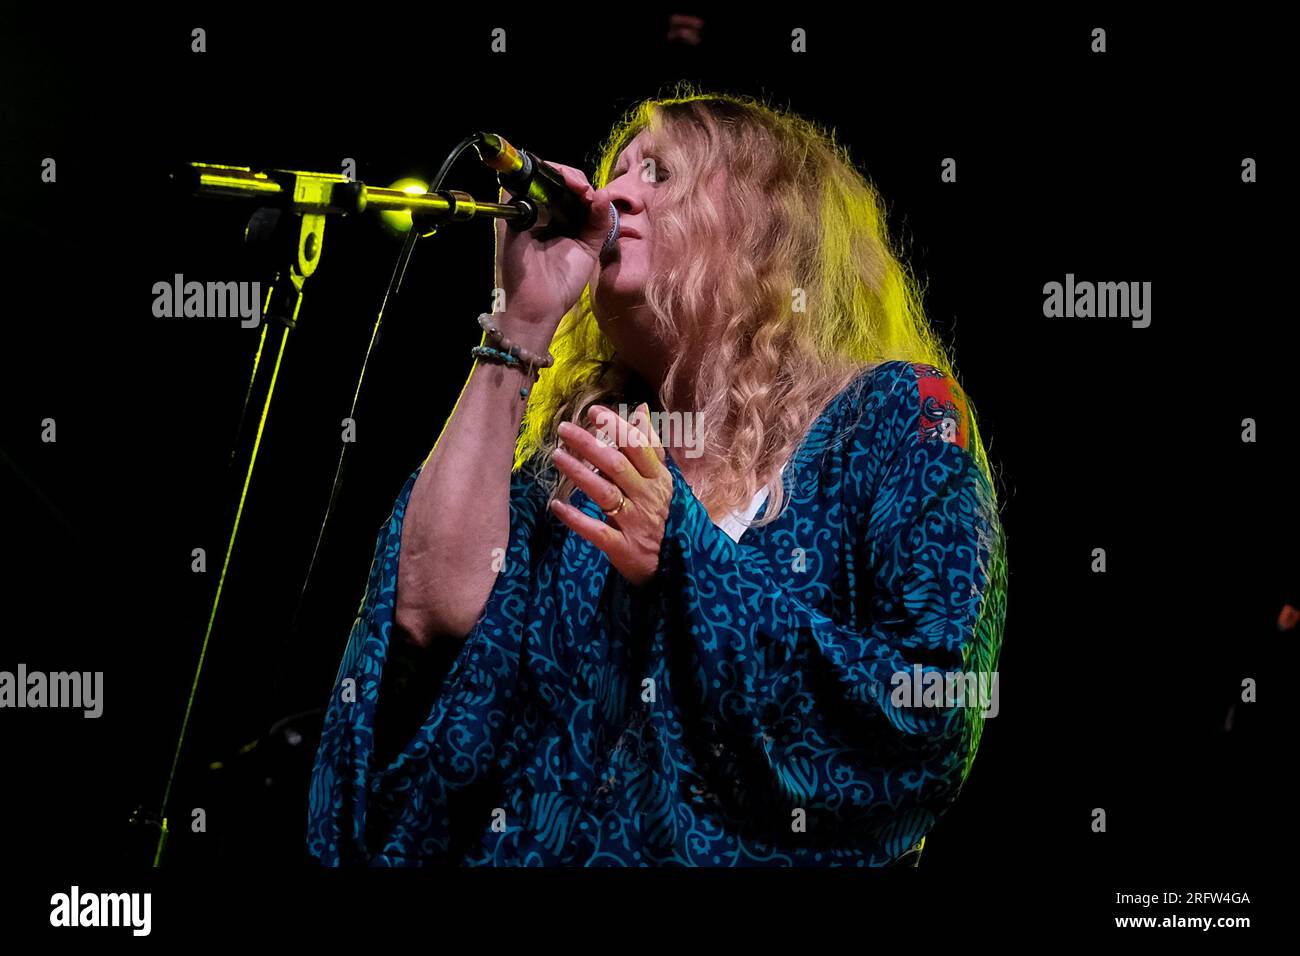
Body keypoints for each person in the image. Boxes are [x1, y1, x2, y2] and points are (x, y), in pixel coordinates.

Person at [307, 90, 1008, 866]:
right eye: (617, 171)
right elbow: (428, 612)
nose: (613, 196)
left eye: (661, 173)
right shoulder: (586, 455)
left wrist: (683, 557)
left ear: (766, 232)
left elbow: (934, 709)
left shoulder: (896, 418)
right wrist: (518, 324)